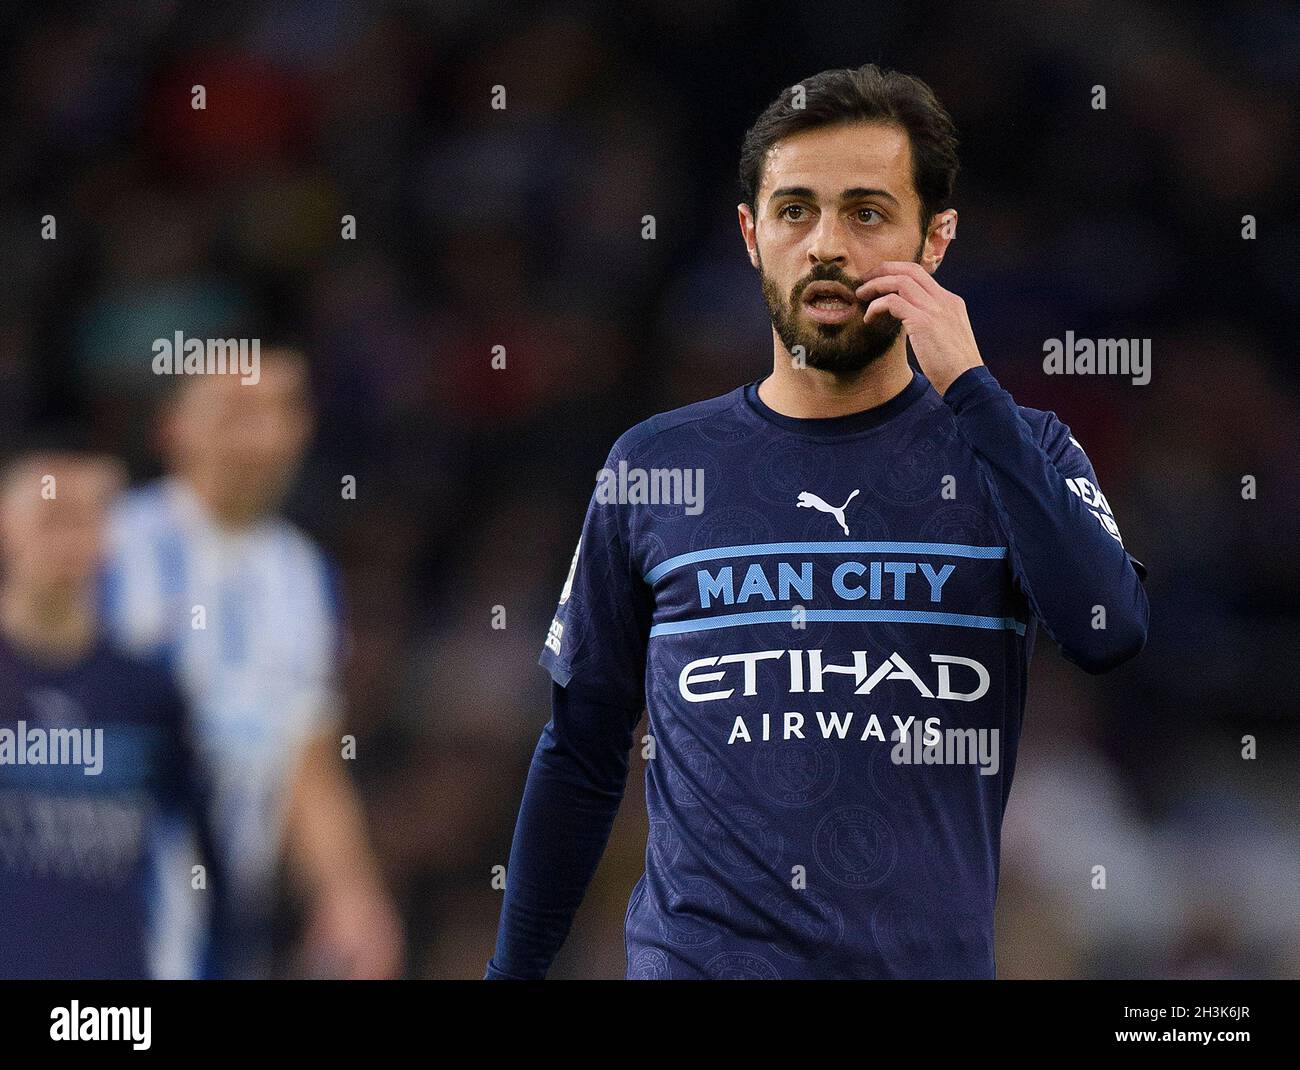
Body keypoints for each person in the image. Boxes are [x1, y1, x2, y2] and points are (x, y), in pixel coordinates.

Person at [487, 64, 1149, 979]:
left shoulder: (1018, 448)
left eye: (868, 213)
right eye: (796, 210)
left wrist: (974, 394)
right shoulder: (655, 466)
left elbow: (1108, 630)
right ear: (752, 235)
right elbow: (580, 752)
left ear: (936, 239)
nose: (827, 244)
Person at [102, 348, 401, 979]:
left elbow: (304, 757)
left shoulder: (300, 574)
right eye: (238, 410)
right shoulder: (107, 549)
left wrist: (349, 893)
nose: (263, 435)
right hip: (90, 932)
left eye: (282, 409)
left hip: (221, 939)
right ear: (172, 425)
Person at [0, 451, 223, 979]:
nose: (64, 537)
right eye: (49, 517)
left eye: (83, 518)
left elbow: (209, 853)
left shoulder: (145, 692)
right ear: (6, 526)